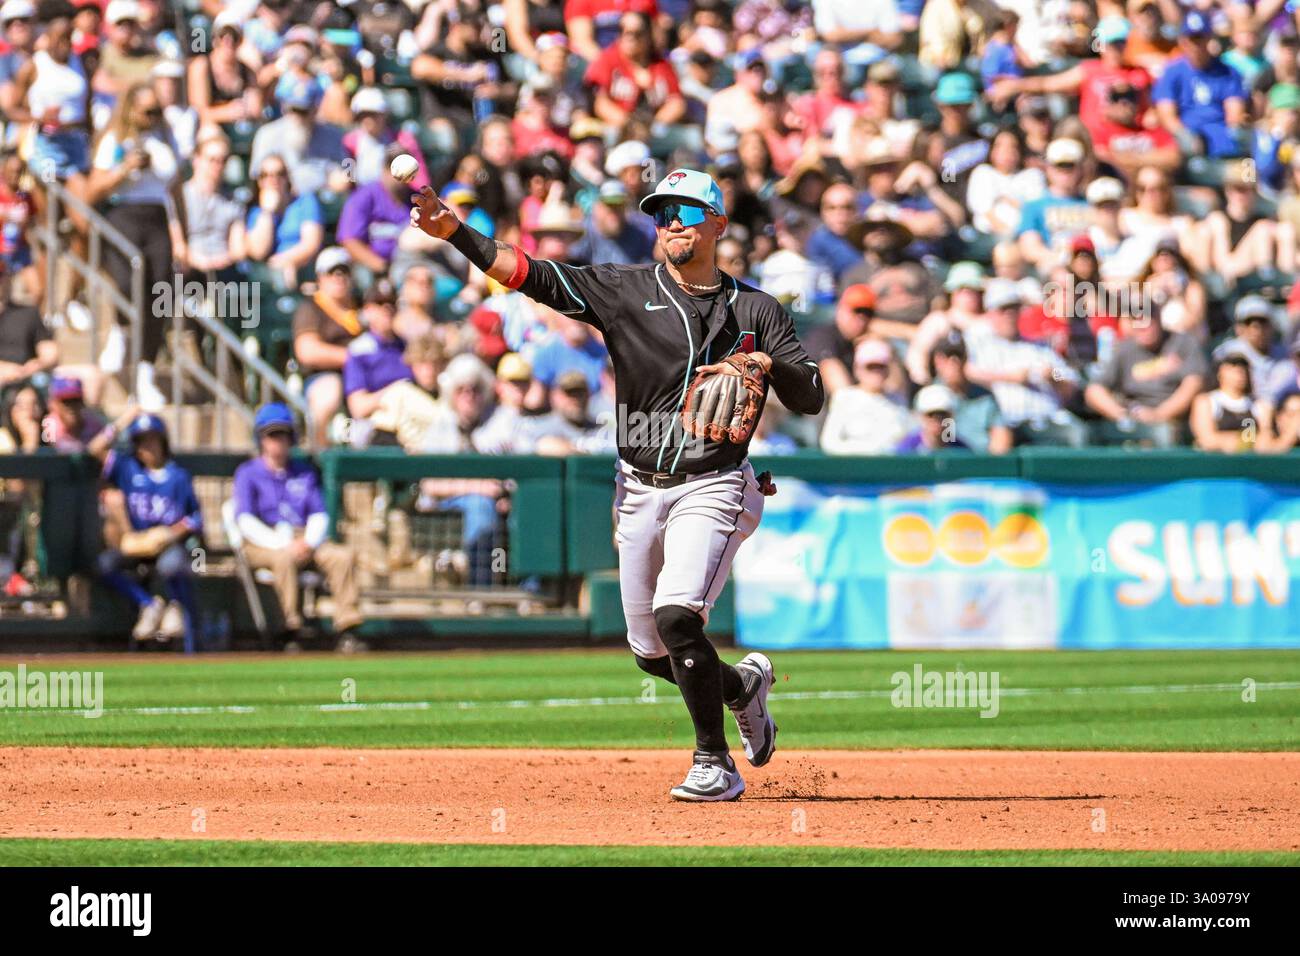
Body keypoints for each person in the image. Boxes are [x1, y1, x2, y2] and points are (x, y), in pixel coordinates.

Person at [411, 164, 824, 801]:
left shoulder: (757, 310)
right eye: (660, 214)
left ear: (716, 222)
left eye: (684, 212)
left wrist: (768, 362)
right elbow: (531, 275)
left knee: (677, 616)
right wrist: (455, 234)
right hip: (637, 486)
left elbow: (811, 396)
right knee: (650, 651)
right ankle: (742, 688)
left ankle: (713, 763)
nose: (669, 224)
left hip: (713, 483)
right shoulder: (627, 290)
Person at [83, 80, 183, 410]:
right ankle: (121, 328)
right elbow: (93, 191)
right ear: (131, 110)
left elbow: (176, 190)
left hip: (157, 218)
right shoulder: (115, 140)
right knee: (128, 282)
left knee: (159, 295)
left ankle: (145, 372)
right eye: (147, 111)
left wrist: (182, 234)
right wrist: (124, 169)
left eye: (158, 111)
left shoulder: (166, 139)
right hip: (123, 214)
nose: (154, 117)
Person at [231, 403, 364, 650]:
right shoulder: (248, 473)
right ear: (261, 438)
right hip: (264, 542)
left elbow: (318, 514)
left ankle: (348, 628)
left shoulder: (303, 472)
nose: (278, 442)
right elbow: (245, 521)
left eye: (283, 434)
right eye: (272, 435)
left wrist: (308, 542)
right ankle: (290, 629)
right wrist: (284, 544)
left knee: (340, 556)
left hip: (303, 538)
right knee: (284, 559)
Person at [96, 413, 203, 652]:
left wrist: (171, 533)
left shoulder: (178, 475)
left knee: (173, 565)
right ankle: (148, 604)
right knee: (105, 564)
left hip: (170, 545)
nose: (148, 447)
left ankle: (175, 607)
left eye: (153, 440)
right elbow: (95, 449)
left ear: (163, 442)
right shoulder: (128, 468)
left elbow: (196, 518)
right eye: (142, 441)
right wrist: (124, 419)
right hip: (136, 542)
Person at [1085, 312, 1207, 447]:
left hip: (1174, 419)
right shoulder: (1124, 349)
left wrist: (1158, 415)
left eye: (1147, 321)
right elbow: (1094, 390)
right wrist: (1121, 415)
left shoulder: (1183, 342)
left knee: (1163, 432)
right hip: (1133, 414)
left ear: (1158, 320)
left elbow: (1194, 384)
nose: (1142, 327)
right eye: (1136, 321)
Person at [1151, 11, 1248, 159]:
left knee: (1249, 163)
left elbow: (1234, 113)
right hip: (1189, 137)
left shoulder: (1227, 72)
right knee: (1188, 155)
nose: (1196, 44)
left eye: (1200, 38)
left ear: (1209, 39)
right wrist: (1185, 135)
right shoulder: (1172, 72)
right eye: (1192, 38)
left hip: (1221, 135)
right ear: (1182, 40)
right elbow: (1166, 115)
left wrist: (1234, 132)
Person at [292, 247, 362, 447]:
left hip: (363, 377)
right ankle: (320, 456)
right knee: (329, 393)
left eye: (344, 271)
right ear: (320, 277)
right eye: (332, 272)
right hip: (325, 376)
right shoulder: (311, 308)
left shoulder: (364, 307)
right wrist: (353, 356)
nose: (339, 277)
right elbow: (307, 351)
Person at [243, 152, 325, 288]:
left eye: (279, 173)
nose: (273, 179)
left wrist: (286, 261)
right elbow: (258, 251)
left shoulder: (305, 201)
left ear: (287, 177)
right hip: (268, 273)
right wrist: (267, 212)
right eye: (265, 175)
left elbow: (311, 243)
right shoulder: (256, 212)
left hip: (302, 268)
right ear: (259, 181)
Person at [819, 337, 911, 454]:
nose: (876, 373)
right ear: (858, 369)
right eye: (870, 367)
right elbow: (829, 442)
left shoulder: (898, 400)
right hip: (855, 467)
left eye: (881, 367)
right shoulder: (845, 398)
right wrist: (868, 451)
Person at [1190, 352, 1293, 454]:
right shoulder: (1207, 401)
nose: (1240, 373)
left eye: (1243, 369)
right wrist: (1249, 442)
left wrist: (1230, 441)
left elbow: (1266, 442)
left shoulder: (1258, 405)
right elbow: (1207, 440)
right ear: (1219, 373)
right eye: (1233, 368)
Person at [805, 283, 875, 396]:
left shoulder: (870, 340)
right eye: (856, 311)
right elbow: (831, 370)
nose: (861, 318)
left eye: (868, 313)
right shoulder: (824, 335)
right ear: (840, 309)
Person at [895, 384, 971, 453]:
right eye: (930, 415)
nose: (937, 419)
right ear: (920, 417)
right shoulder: (906, 449)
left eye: (943, 415)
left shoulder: (962, 451)